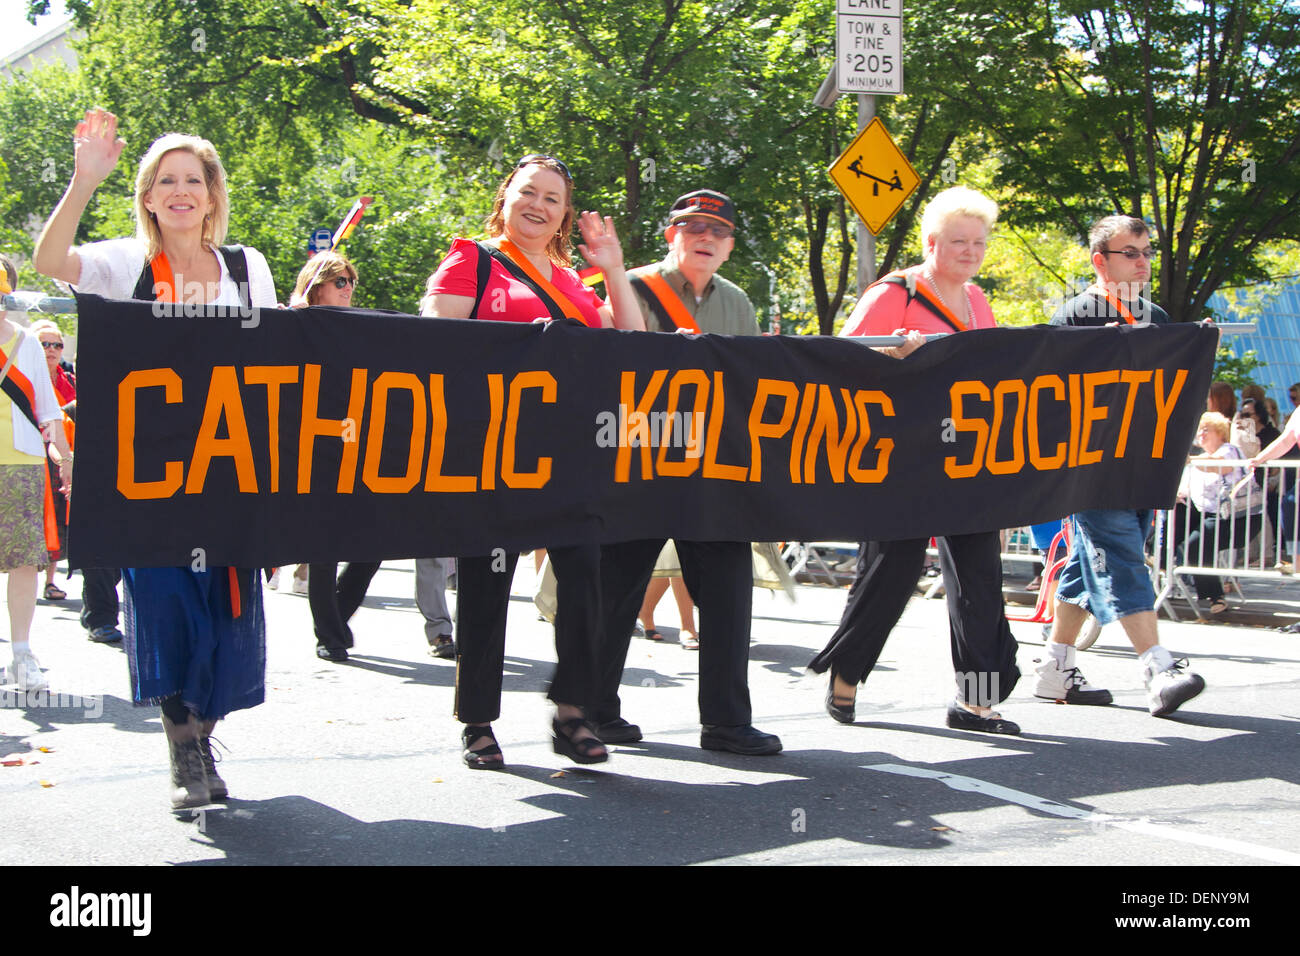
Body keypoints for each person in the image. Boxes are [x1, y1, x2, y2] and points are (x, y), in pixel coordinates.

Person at [32, 108, 278, 808]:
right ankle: (184, 742)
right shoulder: (119, 263)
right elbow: (52, 263)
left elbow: (279, 362)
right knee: (165, 604)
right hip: (145, 477)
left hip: (229, 472)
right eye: (164, 180)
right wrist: (82, 181)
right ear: (146, 196)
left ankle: (202, 726)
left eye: (192, 179)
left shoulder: (246, 267)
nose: (179, 190)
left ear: (211, 194)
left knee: (225, 611)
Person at [422, 153, 644, 768]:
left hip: (568, 456)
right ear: (506, 198)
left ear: (565, 215)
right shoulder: (473, 259)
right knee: (487, 586)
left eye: (552, 198)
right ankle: (478, 722)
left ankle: (573, 712)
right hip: (490, 452)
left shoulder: (576, 282)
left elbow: (629, 343)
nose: (538, 205)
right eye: (528, 192)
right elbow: (434, 344)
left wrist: (615, 269)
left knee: (583, 581)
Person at [807, 186, 1022, 735]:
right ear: (932, 242)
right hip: (898, 459)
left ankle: (975, 702)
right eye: (958, 241)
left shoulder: (977, 302)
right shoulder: (894, 292)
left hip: (964, 459)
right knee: (892, 570)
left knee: (979, 578)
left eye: (978, 241)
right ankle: (846, 679)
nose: (970, 251)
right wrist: (892, 355)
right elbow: (841, 360)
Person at [590, 188, 782, 755]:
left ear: (728, 247)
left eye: (717, 232)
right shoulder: (629, 286)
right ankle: (595, 711)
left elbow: (753, 386)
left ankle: (726, 722)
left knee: (727, 595)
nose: (706, 238)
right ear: (671, 234)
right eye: (693, 227)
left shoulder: (738, 304)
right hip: (638, 462)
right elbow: (605, 366)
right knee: (614, 593)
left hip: (713, 470)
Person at [1041, 213, 1204, 716]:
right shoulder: (1075, 315)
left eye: (1146, 252)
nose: (1142, 262)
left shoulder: (1154, 314)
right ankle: (1157, 667)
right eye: (1129, 253)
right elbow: (1048, 392)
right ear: (1099, 260)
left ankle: (1054, 668)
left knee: (1086, 566)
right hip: (1090, 465)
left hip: (1142, 462)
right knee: (1122, 553)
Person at [284, 252, 380, 662]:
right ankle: (330, 634)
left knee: (374, 545)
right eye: (340, 281)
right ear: (317, 283)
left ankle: (337, 617)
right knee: (323, 547)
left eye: (351, 282)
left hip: (359, 446)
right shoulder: (291, 323)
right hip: (312, 445)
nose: (348, 289)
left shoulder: (360, 328)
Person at [0, 253, 73, 692]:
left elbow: (46, 409)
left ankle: (22, 653)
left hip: (22, 461)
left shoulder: (27, 342)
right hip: (21, 462)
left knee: (24, 562)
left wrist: (65, 459)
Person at [1171, 412, 1258, 614]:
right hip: (1211, 514)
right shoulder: (1197, 460)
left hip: (1239, 517)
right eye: (1199, 429)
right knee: (1177, 525)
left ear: (1220, 432)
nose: (1200, 434)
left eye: (1206, 429)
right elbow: (1185, 491)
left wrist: (1190, 460)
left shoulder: (1230, 451)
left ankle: (1215, 596)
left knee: (1196, 545)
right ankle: (1156, 556)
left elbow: (1222, 466)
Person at [27, 320, 75, 602]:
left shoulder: (69, 380)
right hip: (31, 452)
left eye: (57, 344)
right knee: (33, 517)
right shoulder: (25, 377)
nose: (52, 350)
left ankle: (50, 580)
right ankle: (28, 579)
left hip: (65, 453)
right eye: (45, 344)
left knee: (59, 517)